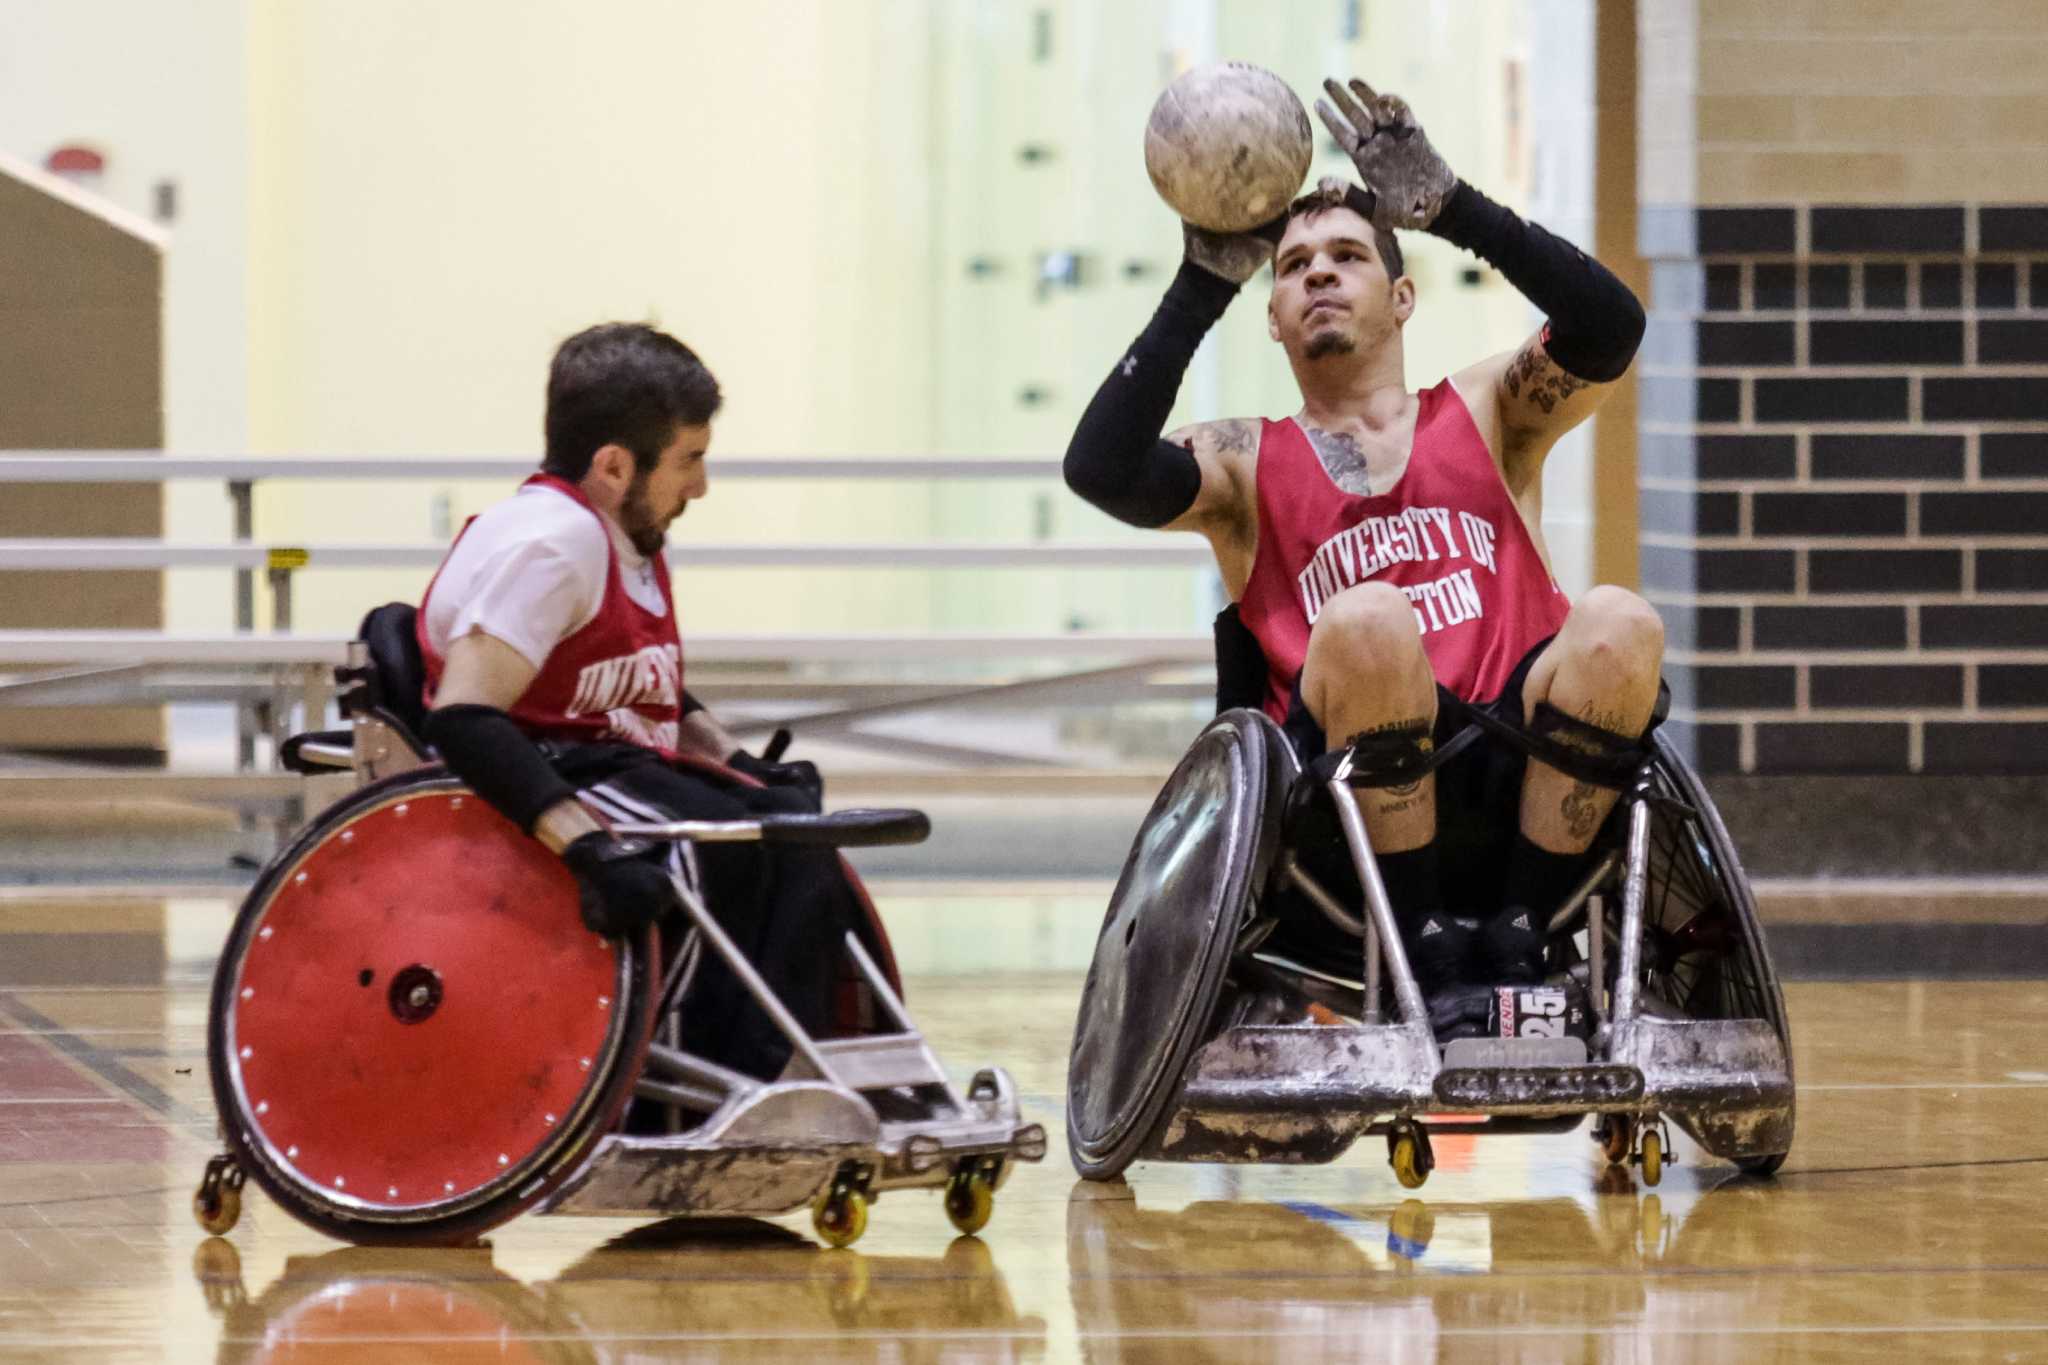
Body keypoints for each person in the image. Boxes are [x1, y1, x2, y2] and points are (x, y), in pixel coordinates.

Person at [1063, 78, 1656, 1034]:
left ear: (1403, 293)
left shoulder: (1489, 410)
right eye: (1293, 267)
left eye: (1348, 255)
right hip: (1340, 825)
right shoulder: (1244, 463)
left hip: (1526, 790)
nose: (1320, 275)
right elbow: (1098, 468)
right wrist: (1204, 278)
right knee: (1375, 618)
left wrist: (1458, 209)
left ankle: (1517, 936)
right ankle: (1422, 940)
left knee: (1623, 619)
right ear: (1272, 315)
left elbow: (1609, 329)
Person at [415, 321, 862, 1079]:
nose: (701, 486)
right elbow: (464, 715)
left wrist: (741, 760)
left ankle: (800, 1066)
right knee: (734, 845)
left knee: (791, 827)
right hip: (549, 776)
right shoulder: (555, 545)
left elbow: (646, 684)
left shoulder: (620, 533)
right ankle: (720, 1080)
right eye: (690, 460)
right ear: (615, 465)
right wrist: (587, 847)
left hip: (611, 758)